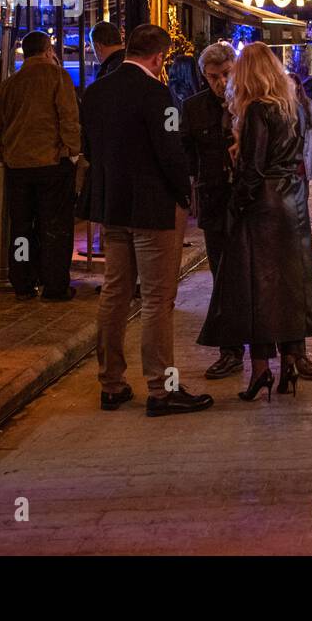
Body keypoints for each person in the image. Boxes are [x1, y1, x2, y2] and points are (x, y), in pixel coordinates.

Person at [80, 24, 213, 417]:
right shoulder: (158, 95)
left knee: (115, 293)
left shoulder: (95, 93)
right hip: (153, 208)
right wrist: (182, 195)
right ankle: (160, 387)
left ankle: (111, 383)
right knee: (157, 299)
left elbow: (89, 147)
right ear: (158, 58)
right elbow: (171, 153)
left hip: (113, 206)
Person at [198, 43, 312, 400]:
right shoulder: (292, 107)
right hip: (291, 202)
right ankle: (288, 365)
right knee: (288, 286)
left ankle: (260, 370)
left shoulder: (257, 109)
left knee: (256, 290)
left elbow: (252, 169)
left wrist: (237, 204)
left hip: (263, 207)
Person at [0, 31, 81, 301]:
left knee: (21, 227)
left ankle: (22, 281)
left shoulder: (9, 84)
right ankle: (54, 285)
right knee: (54, 226)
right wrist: (74, 151)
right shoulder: (57, 77)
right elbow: (68, 117)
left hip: (17, 166)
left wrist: (11, 145)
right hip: (52, 163)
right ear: (47, 50)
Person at [181, 42, 241, 380]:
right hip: (216, 202)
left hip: (248, 204)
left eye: (225, 75)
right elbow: (186, 152)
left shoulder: (251, 104)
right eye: (213, 76)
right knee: (222, 278)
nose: (219, 82)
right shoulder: (193, 109)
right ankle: (230, 350)